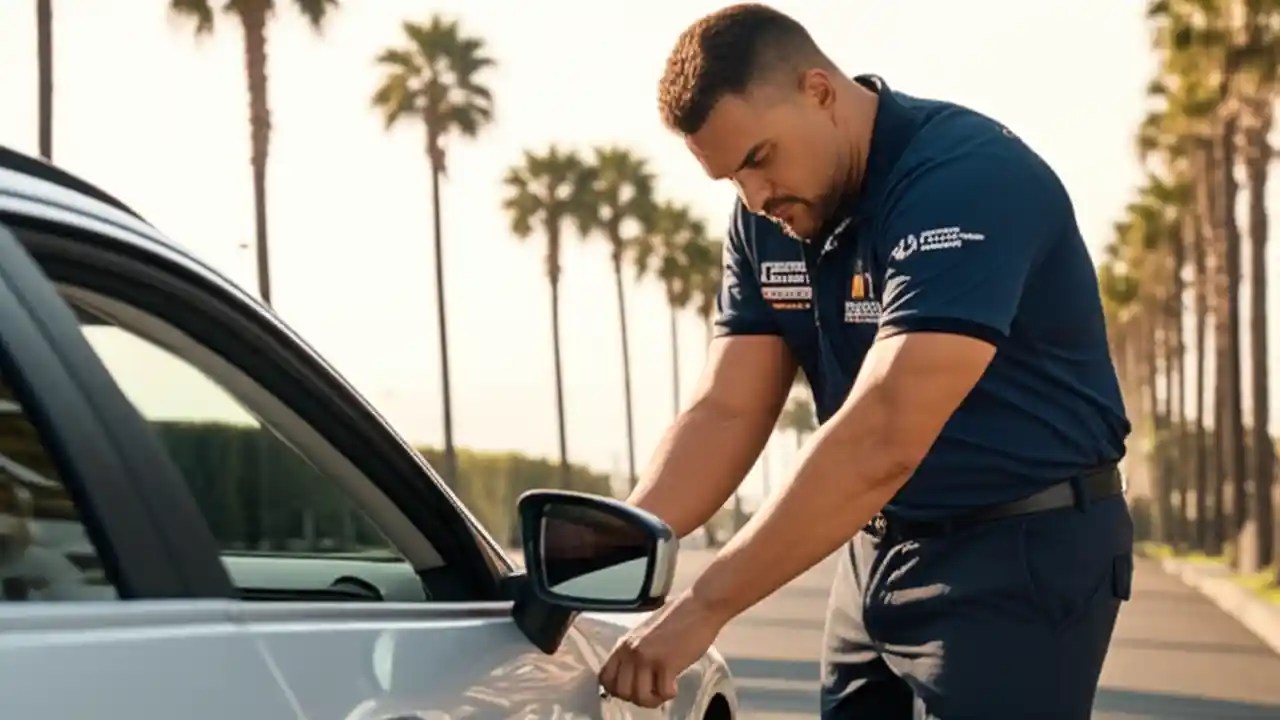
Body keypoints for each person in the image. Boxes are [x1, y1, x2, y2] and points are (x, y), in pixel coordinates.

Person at [596, 4, 1134, 718]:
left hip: (1018, 553)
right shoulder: (768, 220)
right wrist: (606, 553)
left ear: (820, 92)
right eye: (730, 179)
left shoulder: (965, 178)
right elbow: (726, 409)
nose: (754, 198)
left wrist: (703, 605)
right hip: (876, 551)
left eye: (758, 158)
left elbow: (886, 430)